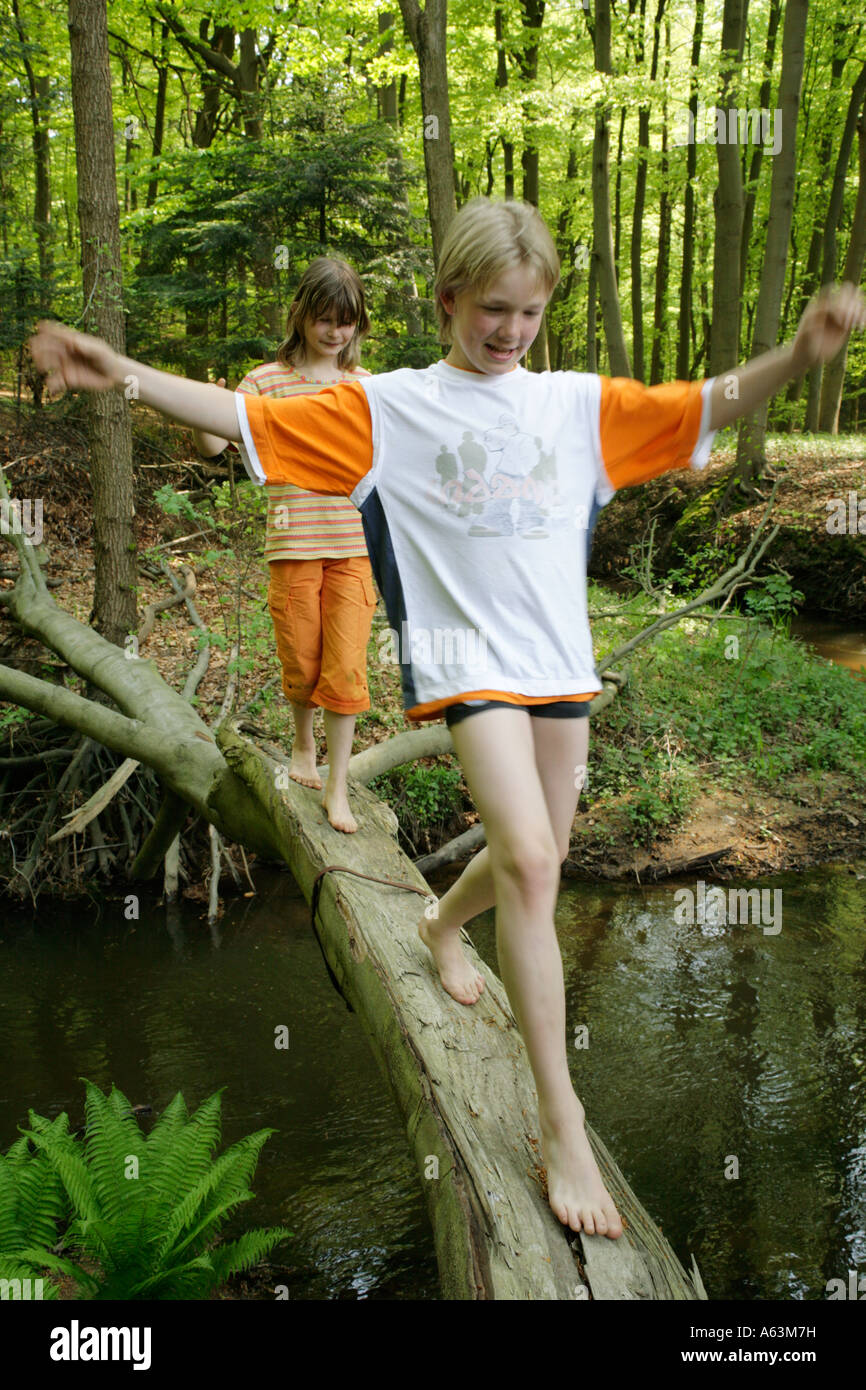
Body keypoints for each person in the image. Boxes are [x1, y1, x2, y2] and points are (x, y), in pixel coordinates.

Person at [30, 198, 865, 1240]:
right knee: (527, 861)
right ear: (445, 302)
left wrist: (794, 352)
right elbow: (244, 417)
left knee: (544, 851)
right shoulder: (391, 408)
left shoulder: (574, 406)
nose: (508, 330)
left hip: (559, 665)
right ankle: (559, 1122)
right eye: (489, 310)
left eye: (526, 311)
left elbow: (704, 402)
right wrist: (121, 372)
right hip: (466, 668)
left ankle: (436, 919)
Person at [196, 257, 377, 834]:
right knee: (301, 658)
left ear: (357, 324)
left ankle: (337, 785)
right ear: (300, 314)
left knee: (346, 668)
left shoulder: (365, 387)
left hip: (353, 546)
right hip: (292, 545)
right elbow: (211, 448)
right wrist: (206, 406)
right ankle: (303, 746)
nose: (334, 332)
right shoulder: (264, 382)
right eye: (323, 318)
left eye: (345, 322)